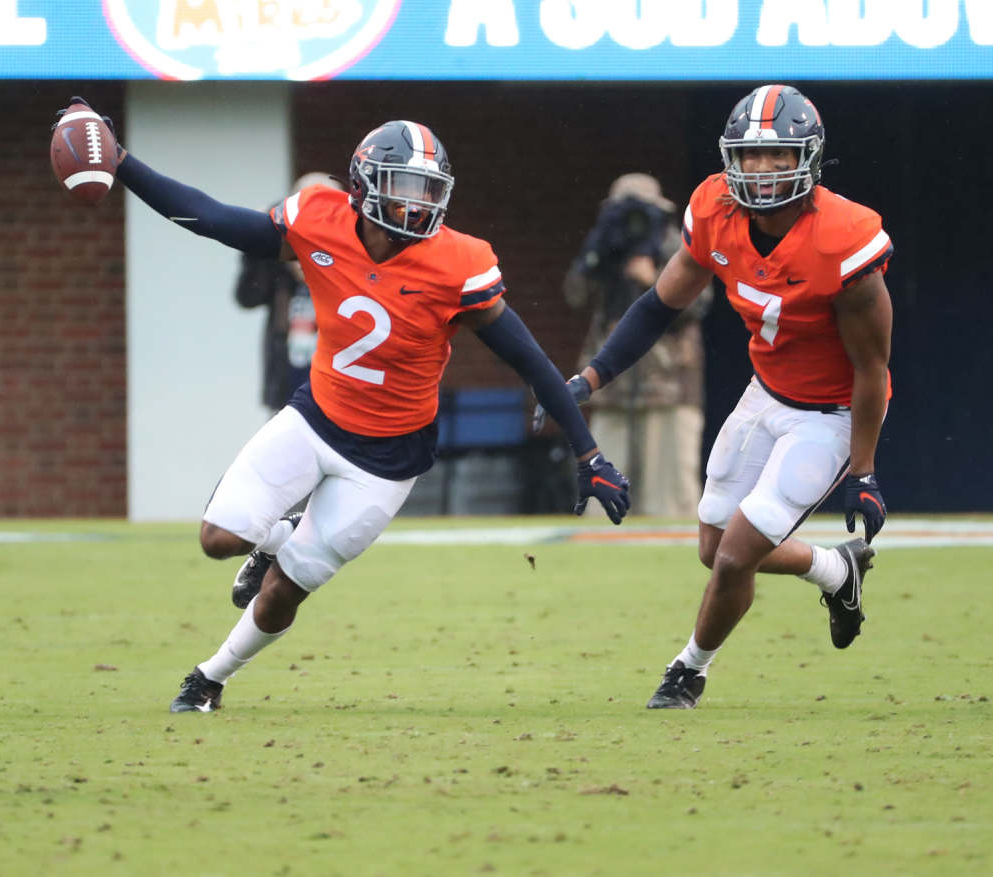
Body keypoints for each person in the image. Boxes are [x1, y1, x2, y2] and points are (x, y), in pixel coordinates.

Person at [54, 101, 630, 713]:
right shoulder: (318, 218)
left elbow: (531, 361)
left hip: (389, 459)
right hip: (314, 417)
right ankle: (275, 536)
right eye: (404, 187)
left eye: (428, 190)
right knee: (218, 538)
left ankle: (209, 678)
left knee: (287, 590)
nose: (417, 204)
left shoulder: (459, 262)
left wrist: (588, 452)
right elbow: (214, 219)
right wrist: (124, 163)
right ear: (361, 188)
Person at [560, 84, 892, 709]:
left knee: (736, 557)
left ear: (810, 160)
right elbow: (659, 304)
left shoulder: (844, 237)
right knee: (712, 549)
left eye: (778, 157)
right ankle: (834, 570)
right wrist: (593, 376)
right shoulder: (714, 208)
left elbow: (871, 367)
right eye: (750, 156)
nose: (762, 172)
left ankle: (688, 670)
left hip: (830, 414)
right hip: (764, 394)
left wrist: (865, 471)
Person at [551, 172, 710, 517]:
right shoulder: (608, 244)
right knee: (603, 502)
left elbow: (700, 304)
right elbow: (574, 295)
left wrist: (654, 279)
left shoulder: (678, 244)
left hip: (670, 388)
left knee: (670, 503)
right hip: (612, 390)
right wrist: (598, 252)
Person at [235, 173, 343, 413]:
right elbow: (246, 297)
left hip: (335, 397)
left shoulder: (346, 271)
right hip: (287, 392)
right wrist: (255, 243)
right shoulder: (279, 274)